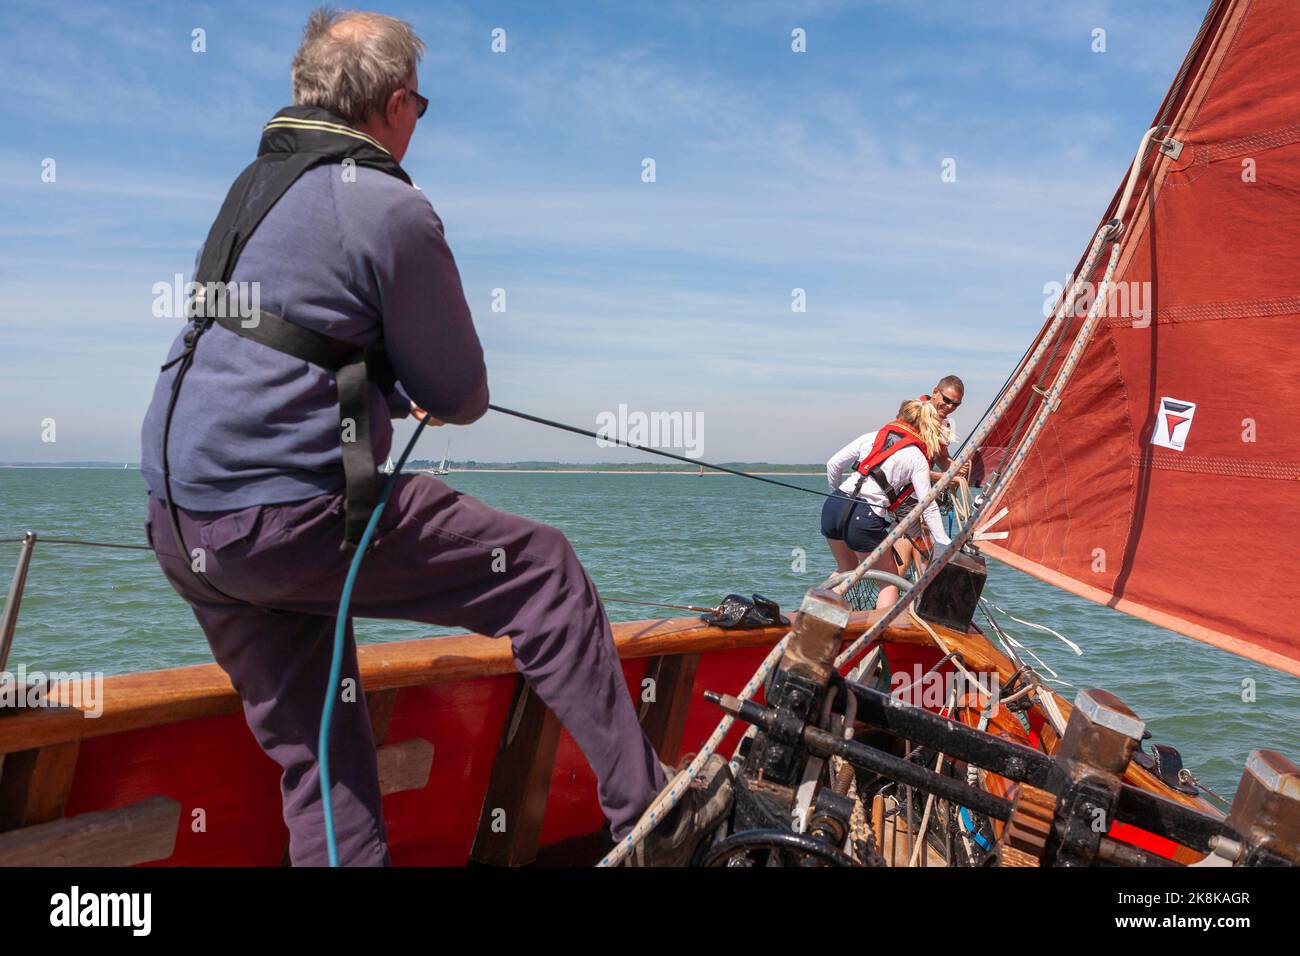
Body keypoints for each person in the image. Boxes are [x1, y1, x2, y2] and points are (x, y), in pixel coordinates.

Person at [139, 8, 724, 866]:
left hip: (180, 523)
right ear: (398, 103)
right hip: (288, 515)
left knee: (321, 764)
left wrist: (375, 378)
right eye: (422, 107)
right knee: (542, 572)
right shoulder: (385, 204)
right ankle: (653, 819)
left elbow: (286, 336)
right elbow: (461, 392)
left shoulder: (253, 190)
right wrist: (420, 392)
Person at [821, 400, 953, 607]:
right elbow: (928, 504)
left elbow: (833, 465)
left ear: (901, 417)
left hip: (833, 507)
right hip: (863, 517)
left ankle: (811, 615)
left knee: (845, 568)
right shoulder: (916, 456)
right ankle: (879, 632)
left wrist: (837, 495)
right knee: (889, 581)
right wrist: (944, 542)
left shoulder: (872, 437)